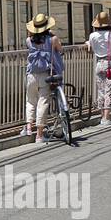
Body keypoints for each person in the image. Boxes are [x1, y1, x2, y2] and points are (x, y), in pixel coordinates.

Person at [23, 13, 64, 143]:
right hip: (46, 74)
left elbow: (33, 41)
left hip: (31, 75)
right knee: (43, 102)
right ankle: (39, 135)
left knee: (30, 100)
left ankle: (29, 127)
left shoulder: (28, 41)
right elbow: (60, 50)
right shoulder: (53, 39)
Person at [87, 12, 111, 127]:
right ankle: (107, 118)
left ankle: (102, 116)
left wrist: (87, 44)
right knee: (109, 90)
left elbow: (91, 50)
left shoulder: (92, 36)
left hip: (98, 64)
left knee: (101, 90)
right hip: (110, 63)